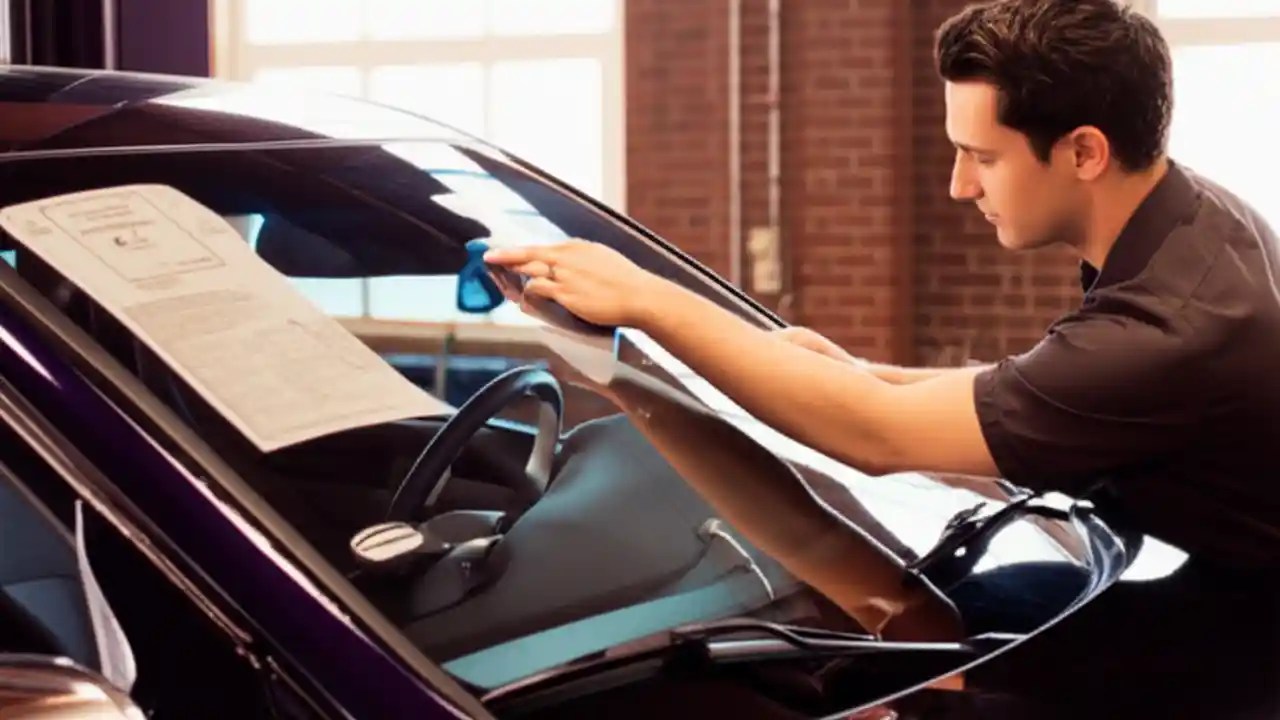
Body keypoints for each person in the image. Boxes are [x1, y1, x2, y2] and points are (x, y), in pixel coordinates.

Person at [484, 0, 1280, 716]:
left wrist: (646, 296)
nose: (959, 185)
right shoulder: (1192, 223)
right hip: (1190, 597)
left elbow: (876, 439)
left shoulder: (1172, 326)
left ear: (1084, 152)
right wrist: (864, 376)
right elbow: (1041, 384)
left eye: (984, 156)